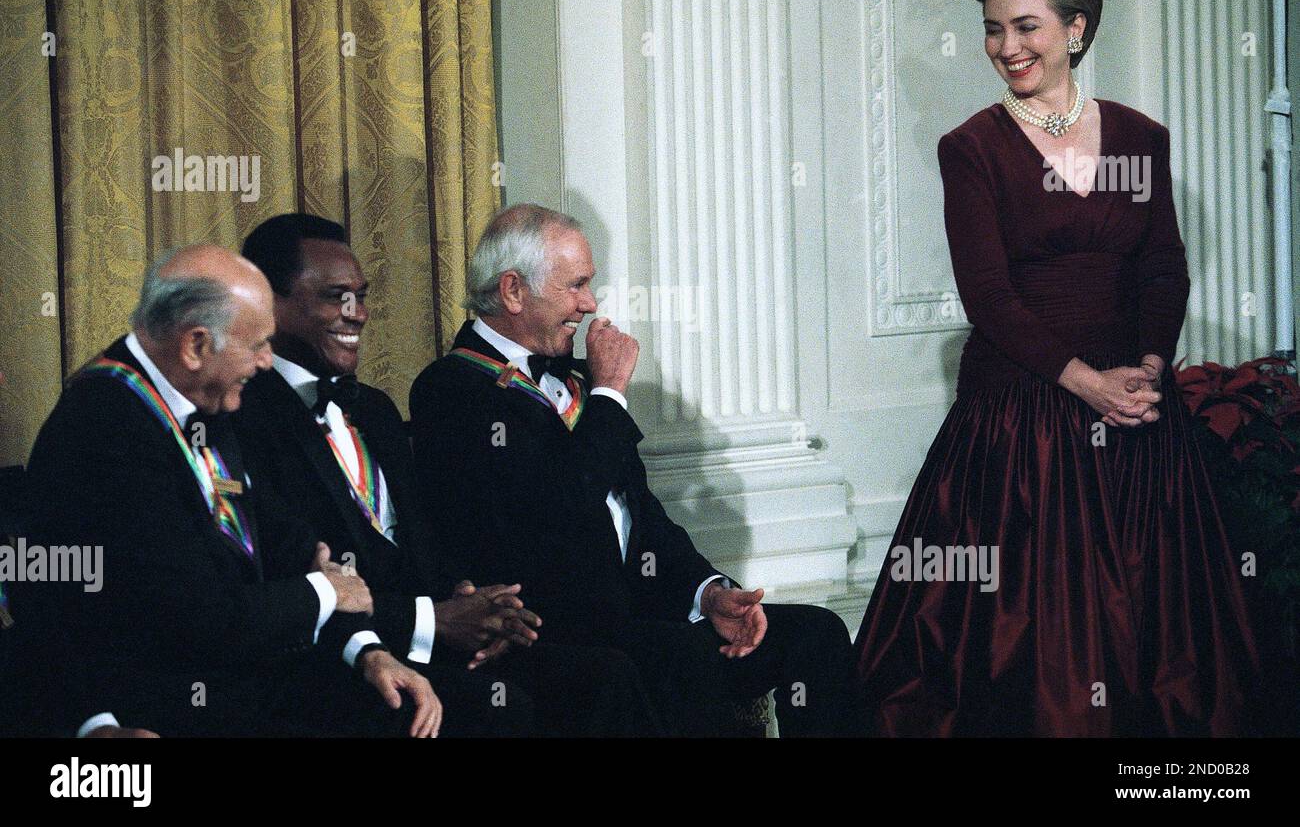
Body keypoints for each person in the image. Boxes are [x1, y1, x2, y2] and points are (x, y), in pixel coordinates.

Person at [853, 0, 1260, 736]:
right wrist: (1088, 384)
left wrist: (1144, 372)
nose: (1007, 48)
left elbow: (1163, 267)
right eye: (994, 30)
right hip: (1021, 420)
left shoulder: (1141, 136)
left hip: (1137, 416)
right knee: (1030, 646)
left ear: (1077, 28)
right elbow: (990, 298)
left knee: (1165, 647)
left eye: (1027, 27)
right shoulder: (972, 148)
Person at [409, 204, 861, 736]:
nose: (590, 304)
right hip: (557, 631)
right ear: (513, 291)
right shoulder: (452, 389)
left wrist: (707, 592)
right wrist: (608, 395)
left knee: (817, 635)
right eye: (576, 286)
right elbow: (561, 508)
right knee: (678, 658)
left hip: (644, 619)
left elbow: (642, 517)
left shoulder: (579, 382)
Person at [235, 213, 646, 736]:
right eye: (335, 296)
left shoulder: (376, 410)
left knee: (600, 679)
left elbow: (427, 535)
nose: (356, 313)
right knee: (505, 709)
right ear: (268, 304)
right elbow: (284, 578)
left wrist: (472, 602)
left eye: (361, 296)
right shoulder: (240, 417)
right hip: (330, 659)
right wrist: (433, 620)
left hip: (432, 633)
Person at [22, 245, 440, 737]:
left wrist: (367, 650)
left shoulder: (202, 395)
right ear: (196, 346)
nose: (267, 362)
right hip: (151, 693)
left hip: (242, 664)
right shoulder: (105, 427)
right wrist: (326, 590)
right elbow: (197, 613)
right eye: (258, 345)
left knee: (444, 709)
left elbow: (281, 536)